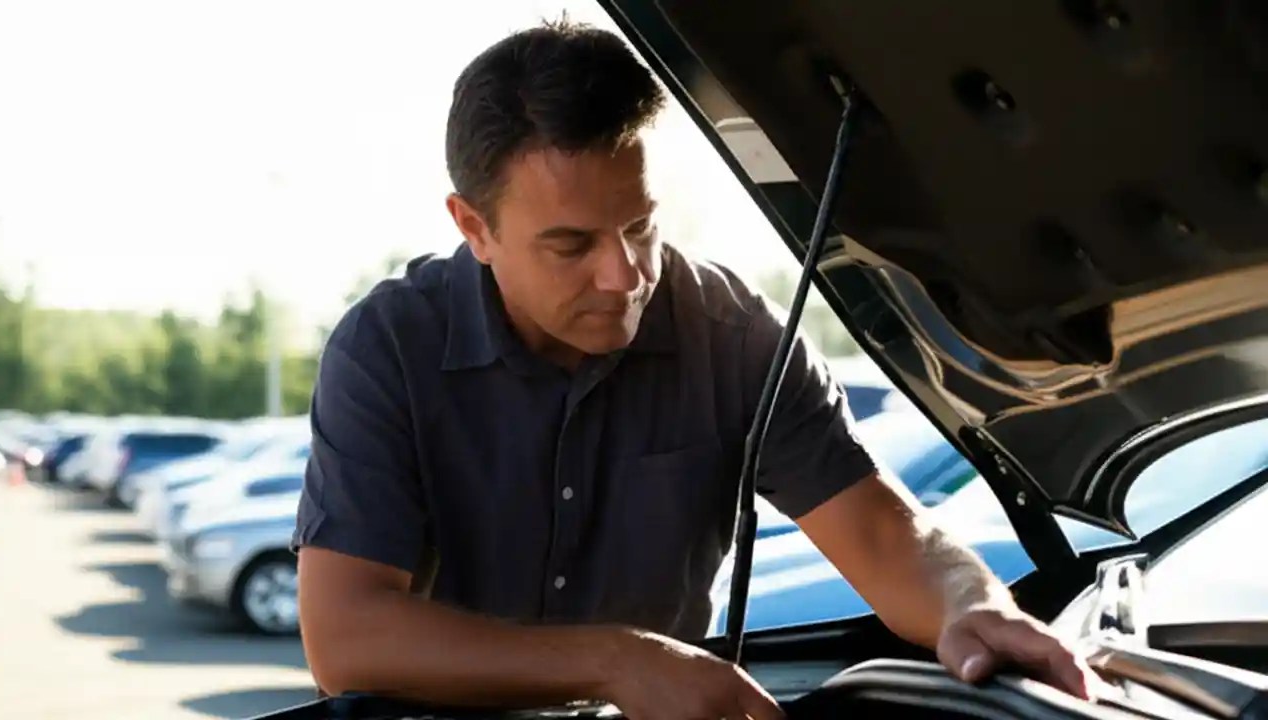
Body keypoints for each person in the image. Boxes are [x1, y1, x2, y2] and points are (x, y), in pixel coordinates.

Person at [292, 18, 1098, 720]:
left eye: (640, 225)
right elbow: (348, 637)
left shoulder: (730, 334)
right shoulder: (387, 349)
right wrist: (616, 659)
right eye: (571, 245)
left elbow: (887, 536)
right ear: (474, 226)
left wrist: (971, 603)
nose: (625, 276)